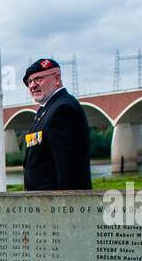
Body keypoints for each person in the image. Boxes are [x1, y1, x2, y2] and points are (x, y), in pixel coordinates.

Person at [21, 57, 92, 190]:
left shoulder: (63, 109)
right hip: (44, 203)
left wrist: (65, 206)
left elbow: (69, 168)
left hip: (57, 205)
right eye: (29, 81)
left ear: (57, 79)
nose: (32, 85)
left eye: (38, 79)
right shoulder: (45, 110)